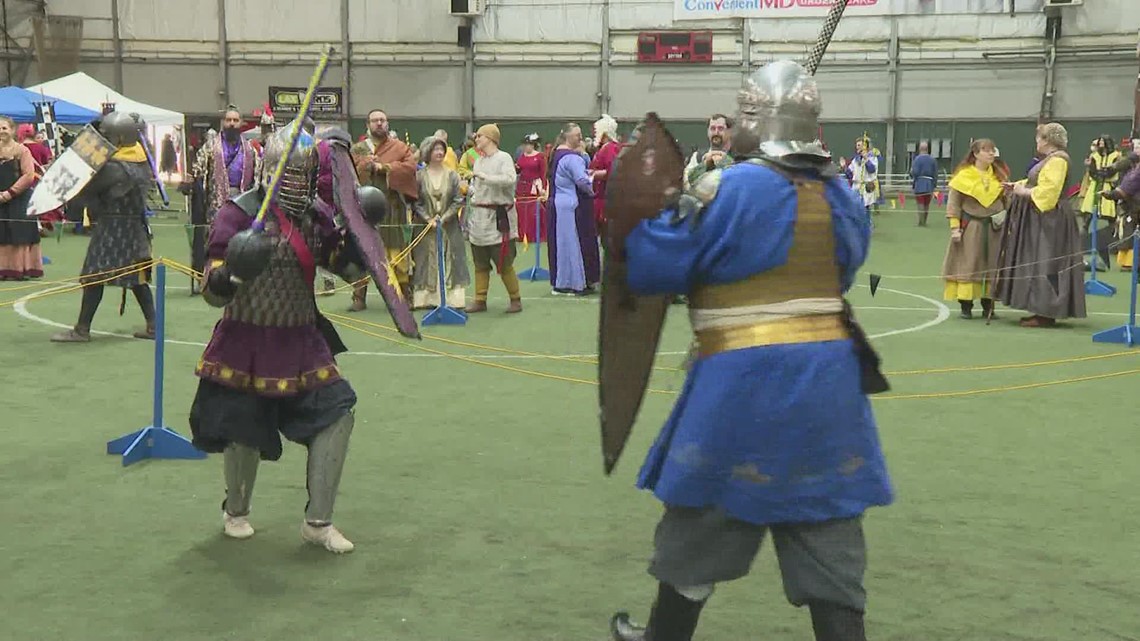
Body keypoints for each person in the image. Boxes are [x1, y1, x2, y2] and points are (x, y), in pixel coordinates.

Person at [608, 60, 892, 641]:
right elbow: (849, 259)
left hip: (741, 386)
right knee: (828, 526)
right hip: (828, 386)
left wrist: (654, 209)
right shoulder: (839, 197)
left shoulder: (722, 188)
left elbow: (652, 265)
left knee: (701, 518)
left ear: (754, 118)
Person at [189, 118, 375, 553]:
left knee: (338, 412)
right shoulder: (237, 213)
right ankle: (236, 509)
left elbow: (346, 269)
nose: (300, 182)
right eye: (293, 173)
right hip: (245, 337)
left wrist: (360, 239)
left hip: (300, 337)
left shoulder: (315, 217)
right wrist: (232, 273)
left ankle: (318, 523)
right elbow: (211, 290)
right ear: (271, 168)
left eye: (307, 175)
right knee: (242, 428)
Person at [51, 112, 156, 342]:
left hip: (113, 226)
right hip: (135, 226)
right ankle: (153, 325)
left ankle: (82, 329)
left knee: (94, 275)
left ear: (118, 137)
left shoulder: (116, 166)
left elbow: (86, 190)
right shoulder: (139, 157)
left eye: (107, 135)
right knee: (137, 278)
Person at [994, 122, 1087, 328]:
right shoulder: (1050, 160)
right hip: (1041, 219)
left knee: (1046, 261)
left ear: (1048, 140)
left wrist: (1022, 192)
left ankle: (1046, 311)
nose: (1037, 141)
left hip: (1050, 221)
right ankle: (1039, 308)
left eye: (1039, 138)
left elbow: (1048, 194)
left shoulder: (1057, 161)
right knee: (1037, 260)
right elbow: (1037, 182)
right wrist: (1017, 185)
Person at [180, 106, 257, 294]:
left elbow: (258, 175)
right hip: (217, 204)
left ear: (241, 123)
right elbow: (197, 168)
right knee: (215, 243)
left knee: (242, 243)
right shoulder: (211, 146)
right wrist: (189, 180)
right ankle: (212, 281)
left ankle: (240, 280)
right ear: (223, 122)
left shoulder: (249, 149)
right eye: (229, 120)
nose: (232, 123)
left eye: (235, 120)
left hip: (242, 203)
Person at [349, 109, 418, 309]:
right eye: (375, 120)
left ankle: (404, 296)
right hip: (365, 211)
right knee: (363, 252)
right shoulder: (359, 148)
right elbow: (348, 171)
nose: (379, 123)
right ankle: (359, 297)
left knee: (397, 254)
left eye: (382, 120)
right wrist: (365, 165)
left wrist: (385, 168)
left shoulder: (399, 147)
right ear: (367, 124)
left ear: (387, 123)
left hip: (392, 208)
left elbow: (410, 168)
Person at [940, 139, 1008, 320]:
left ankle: (989, 305)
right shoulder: (963, 176)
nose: (991, 154)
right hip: (971, 227)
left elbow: (1007, 201)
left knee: (993, 265)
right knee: (969, 263)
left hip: (995, 228)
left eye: (993, 151)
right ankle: (966, 305)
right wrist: (955, 228)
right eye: (986, 151)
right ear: (976, 154)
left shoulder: (999, 176)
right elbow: (954, 204)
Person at [464, 123, 522, 313]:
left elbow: (510, 179)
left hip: (499, 217)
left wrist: (485, 177)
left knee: (503, 261)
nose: (477, 139)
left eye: (480, 136)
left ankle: (515, 299)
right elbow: (478, 186)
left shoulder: (503, 158)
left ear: (490, 138)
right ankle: (480, 299)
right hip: (479, 217)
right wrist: (468, 189)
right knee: (480, 261)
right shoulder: (478, 160)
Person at [411, 137, 469, 310]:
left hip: (449, 226)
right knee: (424, 260)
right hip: (425, 228)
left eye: (441, 149)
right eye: (435, 149)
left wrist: (444, 218)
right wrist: (428, 219)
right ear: (427, 152)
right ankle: (426, 298)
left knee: (452, 258)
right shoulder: (419, 176)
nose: (439, 152)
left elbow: (458, 199)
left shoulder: (452, 175)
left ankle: (453, 299)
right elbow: (416, 201)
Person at [0, 116, 41, 280]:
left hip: (19, 198)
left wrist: (9, 193)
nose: (1, 131)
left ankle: (19, 269)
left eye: (4, 128)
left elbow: (29, 175)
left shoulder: (22, 150)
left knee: (19, 233)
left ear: (12, 130)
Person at [910, 141, 938, 226]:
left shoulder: (917, 159)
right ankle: (924, 221)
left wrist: (911, 174)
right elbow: (935, 173)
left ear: (919, 149)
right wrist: (934, 185)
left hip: (919, 183)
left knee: (920, 202)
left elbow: (915, 172)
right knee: (926, 203)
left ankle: (921, 221)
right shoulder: (933, 160)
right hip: (929, 183)